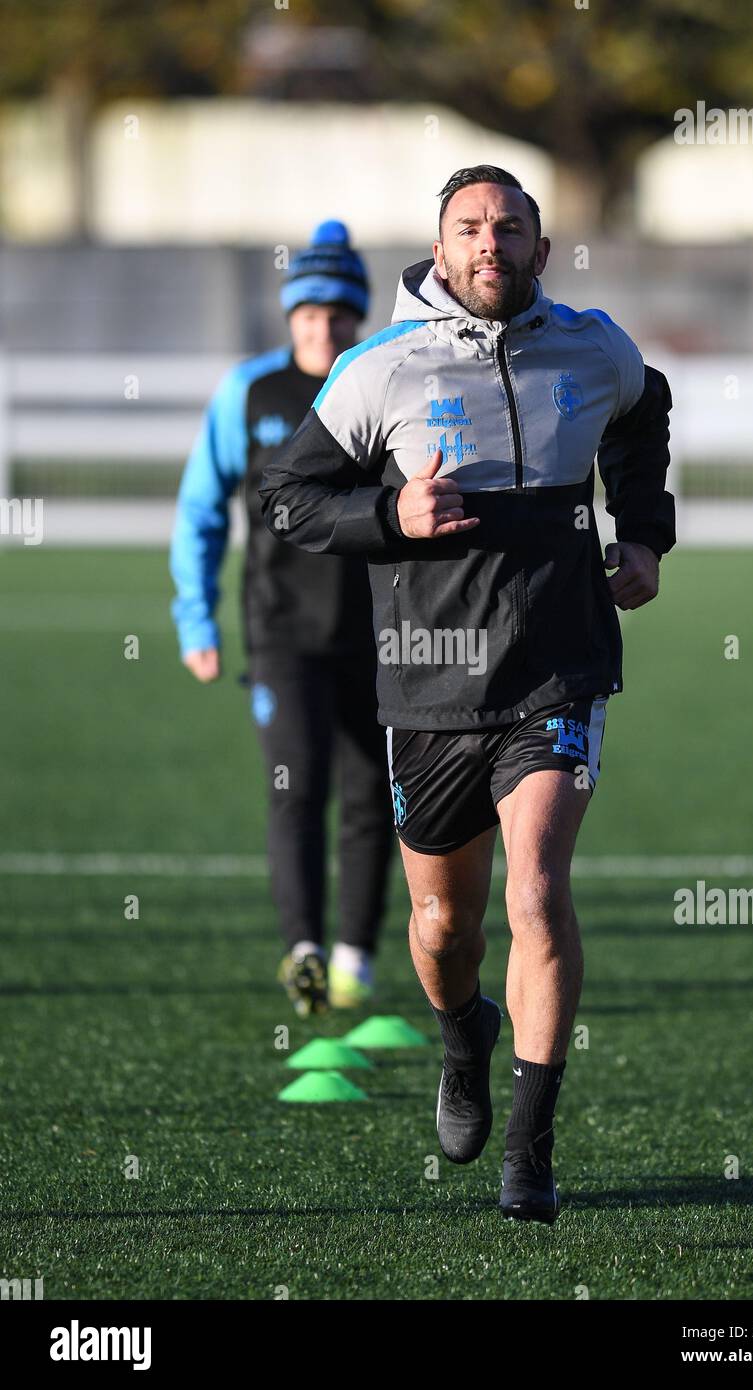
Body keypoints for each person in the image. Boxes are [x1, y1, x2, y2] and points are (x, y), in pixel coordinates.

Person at [260, 166, 675, 1220]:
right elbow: (289, 499)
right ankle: (462, 1036)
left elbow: (643, 411)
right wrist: (390, 518)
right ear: (438, 252)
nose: (490, 243)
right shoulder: (377, 370)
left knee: (534, 893)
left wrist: (641, 531)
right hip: (430, 685)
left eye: (510, 227)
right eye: (469, 229)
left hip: (559, 670)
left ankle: (528, 1156)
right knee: (443, 927)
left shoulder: (592, 347)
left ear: (541, 246)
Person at [170, 220, 393, 1017]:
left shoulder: (383, 385)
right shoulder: (251, 393)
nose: (321, 326)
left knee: (376, 797)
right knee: (296, 786)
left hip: (380, 637)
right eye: (307, 311)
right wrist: (196, 621)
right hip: (281, 635)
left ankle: (355, 958)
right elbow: (200, 510)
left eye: (337, 313)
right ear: (288, 313)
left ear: (358, 316)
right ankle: (302, 949)